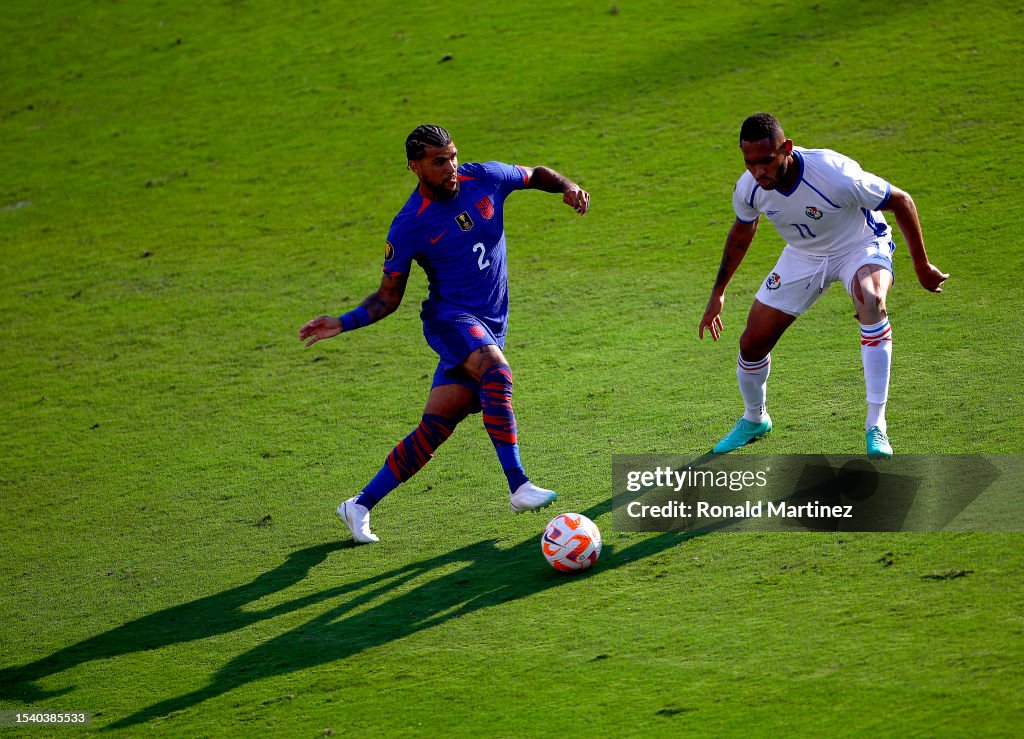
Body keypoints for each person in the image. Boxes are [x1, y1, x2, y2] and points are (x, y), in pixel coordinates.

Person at [299, 124, 590, 543]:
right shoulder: (408, 226)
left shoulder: (485, 177)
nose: (451, 166)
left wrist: (568, 186)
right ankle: (518, 485)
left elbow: (536, 173)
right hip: (450, 319)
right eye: (439, 161)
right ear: (415, 167)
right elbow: (387, 298)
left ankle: (359, 505)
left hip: (491, 324)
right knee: (496, 372)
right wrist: (343, 322)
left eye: (452, 155)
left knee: (436, 426)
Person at [698, 113, 948, 458]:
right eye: (749, 162)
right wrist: (718, 293)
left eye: (766, 161)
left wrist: (921, 264)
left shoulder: (834, 173)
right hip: (805, 255)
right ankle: (755, 419)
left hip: (858, 245)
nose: (758, 171)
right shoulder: (749, 188)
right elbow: (742, 233)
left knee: (871, 298)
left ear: (786, 148)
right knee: (752, 341)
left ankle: (877, 424)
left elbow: (901, 200)